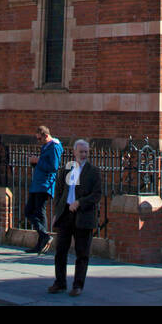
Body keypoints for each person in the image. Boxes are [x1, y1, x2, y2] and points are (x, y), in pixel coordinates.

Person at [48, 138, 103, 296]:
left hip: (83, 216)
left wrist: (80, 202)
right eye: (81, 152)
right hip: (66, 214)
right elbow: (60, 190)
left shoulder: (93, 171)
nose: (84, 154)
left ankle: (78, 285)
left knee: (82, 253)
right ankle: (60, 283)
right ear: (74, 152)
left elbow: (97, 194)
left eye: (86, 152)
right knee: (60, 251)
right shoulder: (68, 168)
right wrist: (57, 212)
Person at [24, 124, 63, 254]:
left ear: (46, 136)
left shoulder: (54, 147)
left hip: (45, 184)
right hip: (38, 183)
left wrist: (38, 160)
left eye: (40, 139)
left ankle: (44, 236)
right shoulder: (46, 146)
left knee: (38, 212)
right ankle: (42, 239)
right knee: (30, 211)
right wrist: (34, 162)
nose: (38, 141)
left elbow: (54, 166)